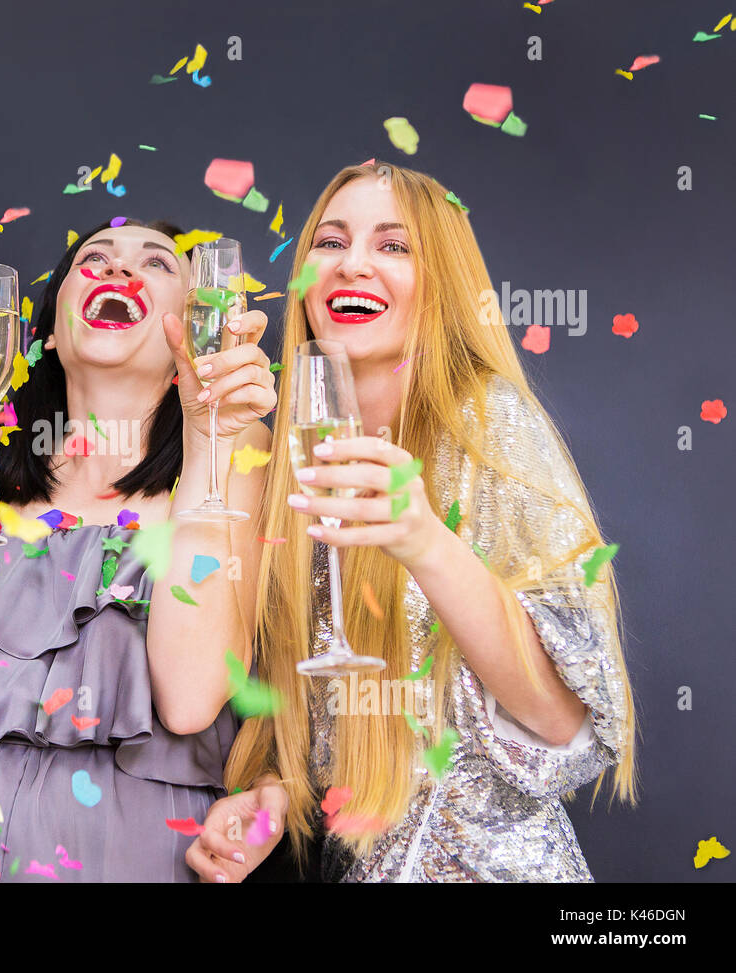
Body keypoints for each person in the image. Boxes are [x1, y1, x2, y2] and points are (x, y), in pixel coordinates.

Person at [186, 161, 637, 883]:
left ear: (442, 285)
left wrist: (425, 539)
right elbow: (324, 713)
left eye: (394, 246)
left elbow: (565, 728)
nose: (353, 263)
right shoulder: (281, 464)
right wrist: (274, 790)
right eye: (330, 242)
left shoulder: (487, 425)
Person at [0, 215, 278, 881]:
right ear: (54, 321)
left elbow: (189, 701)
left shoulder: (235, 459)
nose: (119, 269)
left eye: (156, 263)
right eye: (93, 257)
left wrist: (211, 429)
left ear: (196, 325)